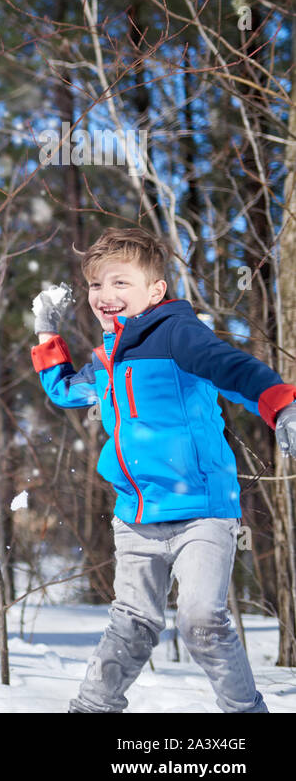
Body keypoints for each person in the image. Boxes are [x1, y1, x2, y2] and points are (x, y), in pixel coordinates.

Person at [30, 227, 293, 713]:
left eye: (120, 284)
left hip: (202, 510)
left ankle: (245, 711)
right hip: (137, 515)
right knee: (131, 621)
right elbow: (66, 391)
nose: (105, 297)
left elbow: (228, 367)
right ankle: (92, 708)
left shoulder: (176, 333)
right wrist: (47, 329)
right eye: (96, 286)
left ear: (155, 290)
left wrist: (281, 404)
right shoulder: (111, 353)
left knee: (201, 620)